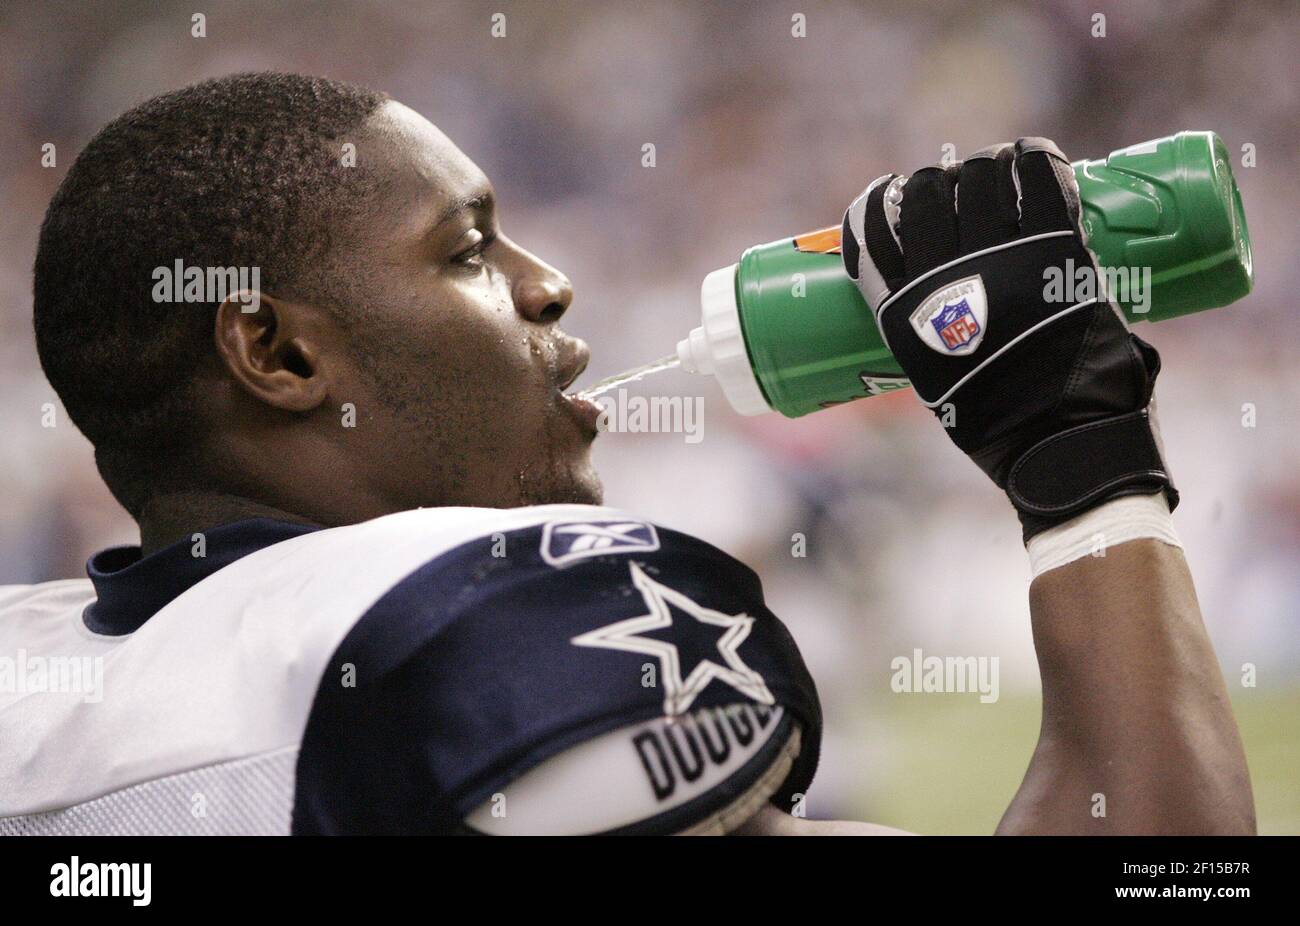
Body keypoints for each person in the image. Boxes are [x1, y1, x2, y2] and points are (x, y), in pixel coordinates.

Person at [0, 73, 1254, 835]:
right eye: (470, 250)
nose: (547, 285)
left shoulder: (47, 682)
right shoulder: (464, 642)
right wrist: (1075, 453)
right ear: (275, 355)